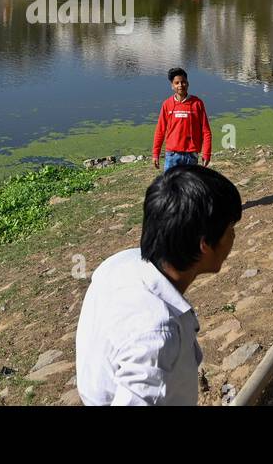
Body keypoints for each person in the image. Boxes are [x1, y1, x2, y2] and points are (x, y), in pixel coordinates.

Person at [74, 165, 242, 405]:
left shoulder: (119, 263)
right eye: (230, 230)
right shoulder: (156, 337)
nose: (234, 237)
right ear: (205, 245)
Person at [151, 67, 212, 172]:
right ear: (172, 86)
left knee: (189, 187)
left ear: (188, 83)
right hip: (172, 156)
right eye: (177, 83)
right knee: (170, 187)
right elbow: (160, 131)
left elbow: (206, 131)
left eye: (183, 82)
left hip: (191, 156)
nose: (180, 85)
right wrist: (155, 153)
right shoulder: (167, 104)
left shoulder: (197, 103)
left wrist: (206, 153)